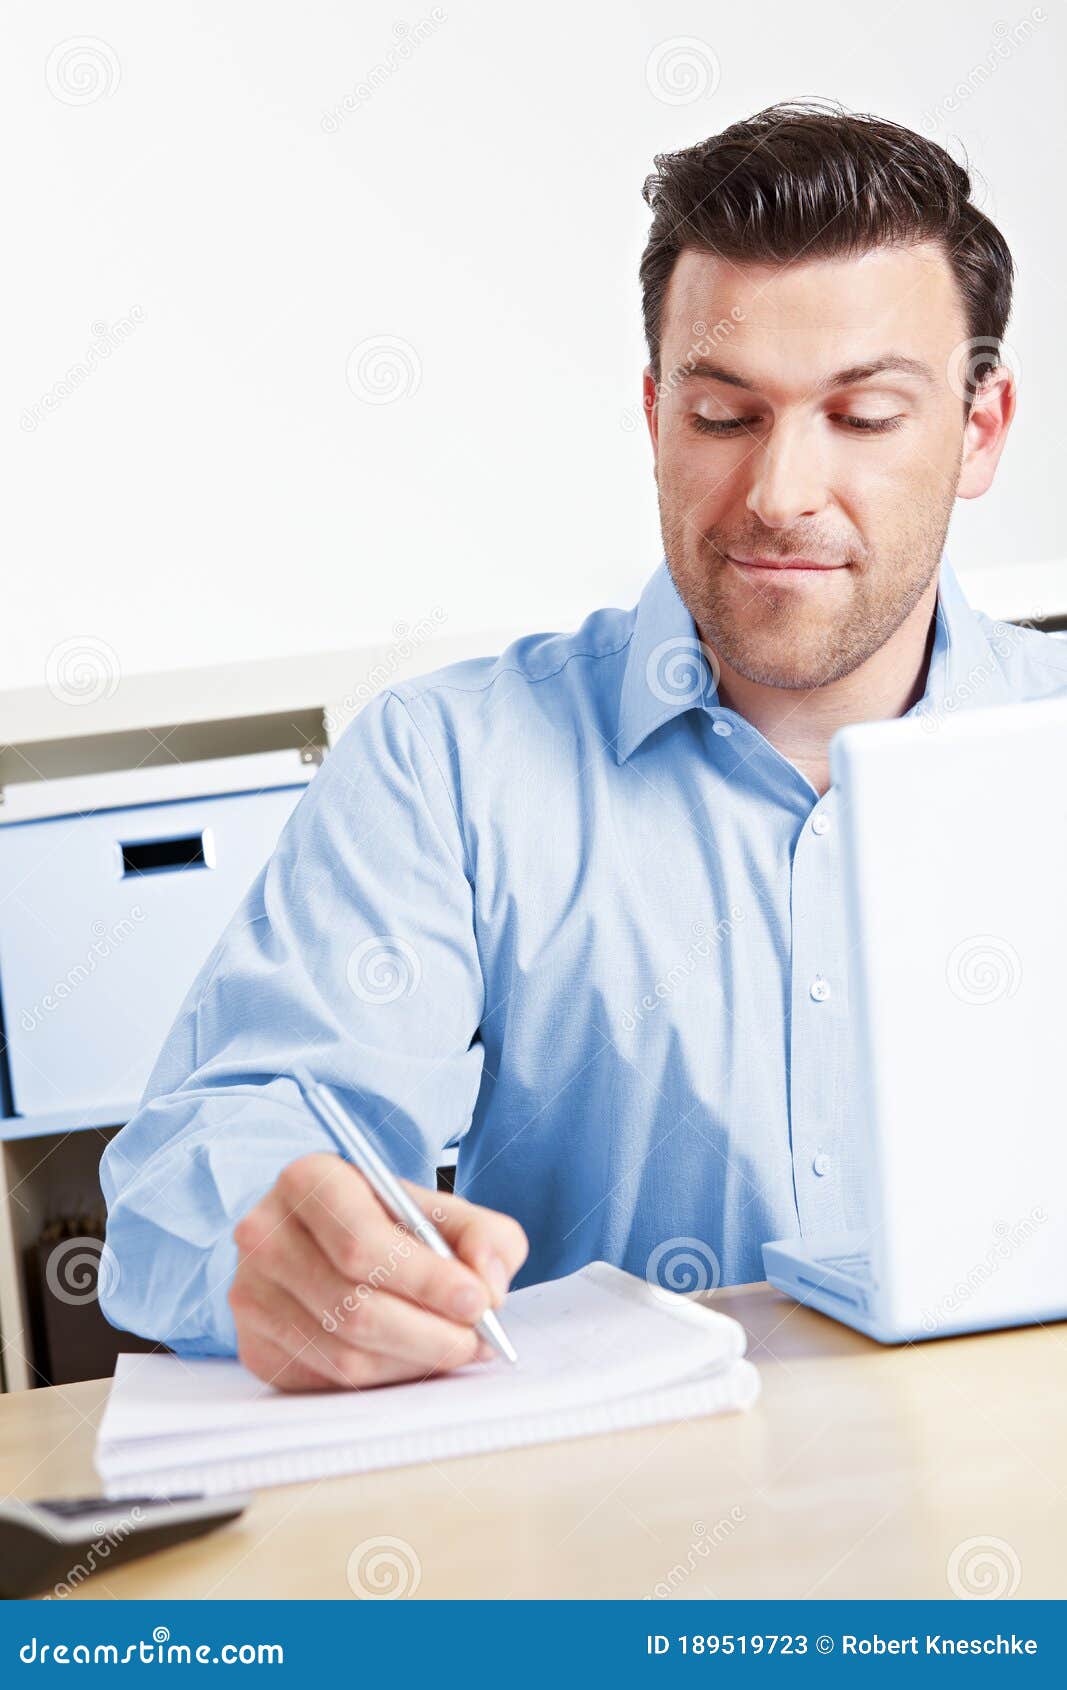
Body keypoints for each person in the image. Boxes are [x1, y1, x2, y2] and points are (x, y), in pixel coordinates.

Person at [100, 99, 1067, 1391]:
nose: (780, 493)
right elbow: (198, 1169)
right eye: (726, 416)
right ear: (659, 413)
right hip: (610, 1544)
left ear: (981, 428)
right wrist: (277, 1238)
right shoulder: (449, 766)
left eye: (863, 416)